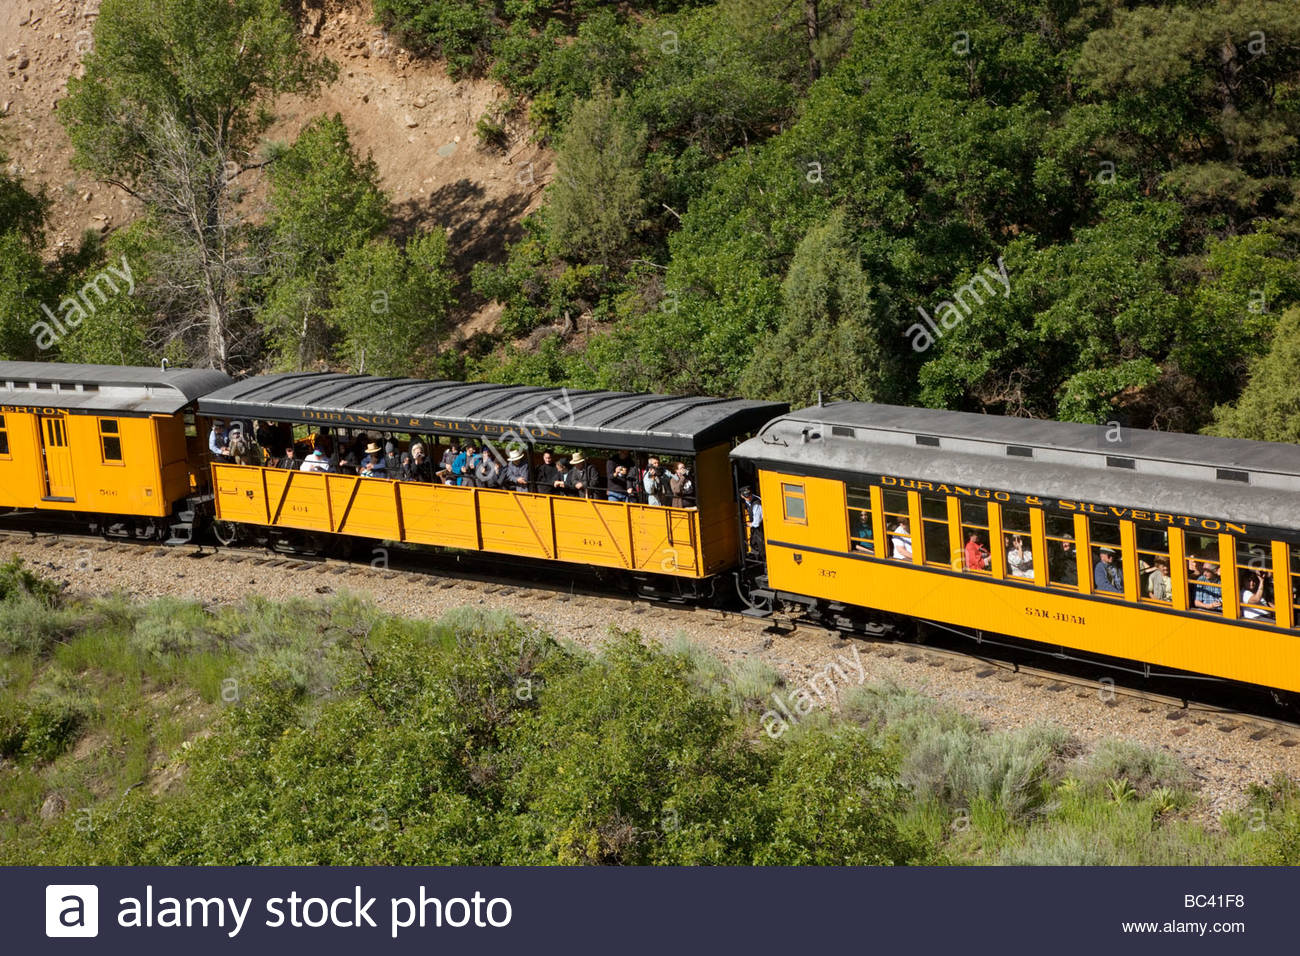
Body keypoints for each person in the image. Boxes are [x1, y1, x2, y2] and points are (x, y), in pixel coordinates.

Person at [740, 486, 764, 556]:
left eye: (749, 495)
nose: (748, 498)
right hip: (755, 529)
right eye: (746, 496)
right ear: (742, 496)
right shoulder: (746, 501)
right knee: (754, 544)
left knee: (761, 547)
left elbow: (757, 523)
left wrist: (748, 524)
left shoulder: (757, 503)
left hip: (760, 528)